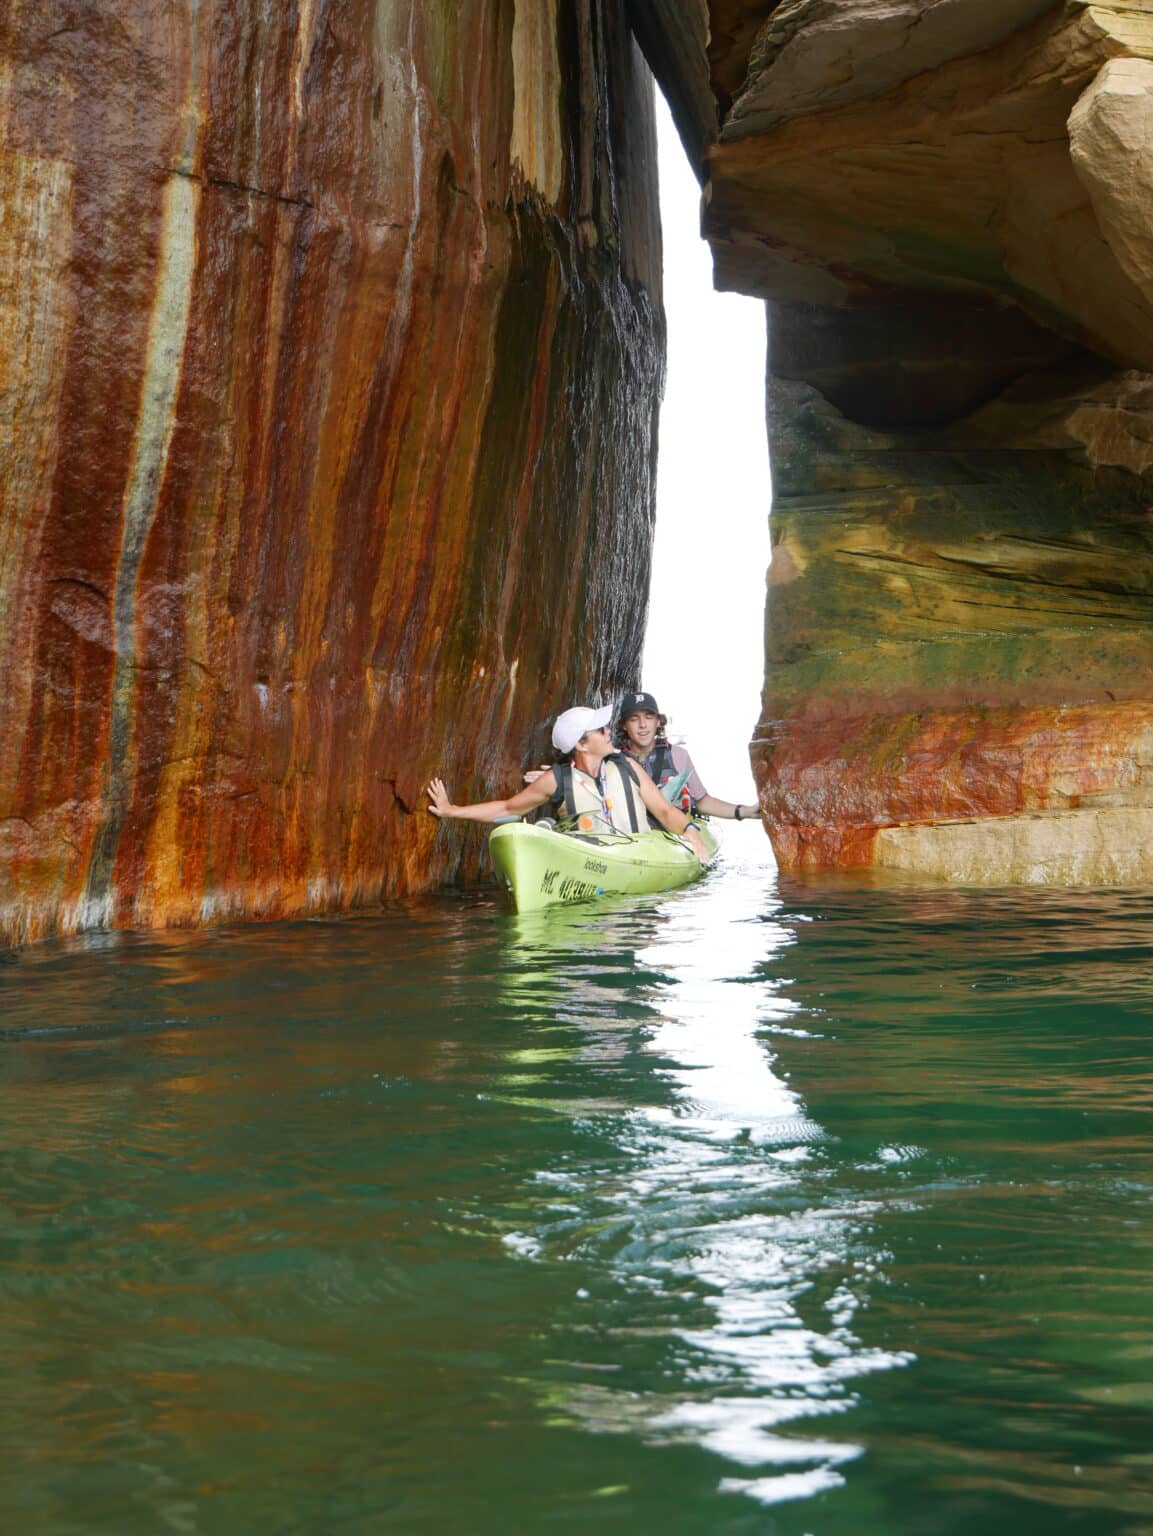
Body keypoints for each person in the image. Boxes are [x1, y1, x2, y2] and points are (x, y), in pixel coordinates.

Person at [427, 704, 710, 863]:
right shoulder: (557, 779)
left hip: (639, 853)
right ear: (581, 744)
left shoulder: (628, 767)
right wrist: (452, 810)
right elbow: (508, 807)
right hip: (592, 859)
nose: (608, 732)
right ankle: (549, 832)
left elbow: (663, 812)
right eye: (600, 730)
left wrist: (692, 833)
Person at [614, 690, 760, 822]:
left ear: (658, 721)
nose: (642, 724)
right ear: (624, 726)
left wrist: (743, 811)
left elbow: (702, 802)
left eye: (649, 717)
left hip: (673, 832)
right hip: (635, 835)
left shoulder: (678, 755)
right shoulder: (613, 761)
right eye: (634, 719)